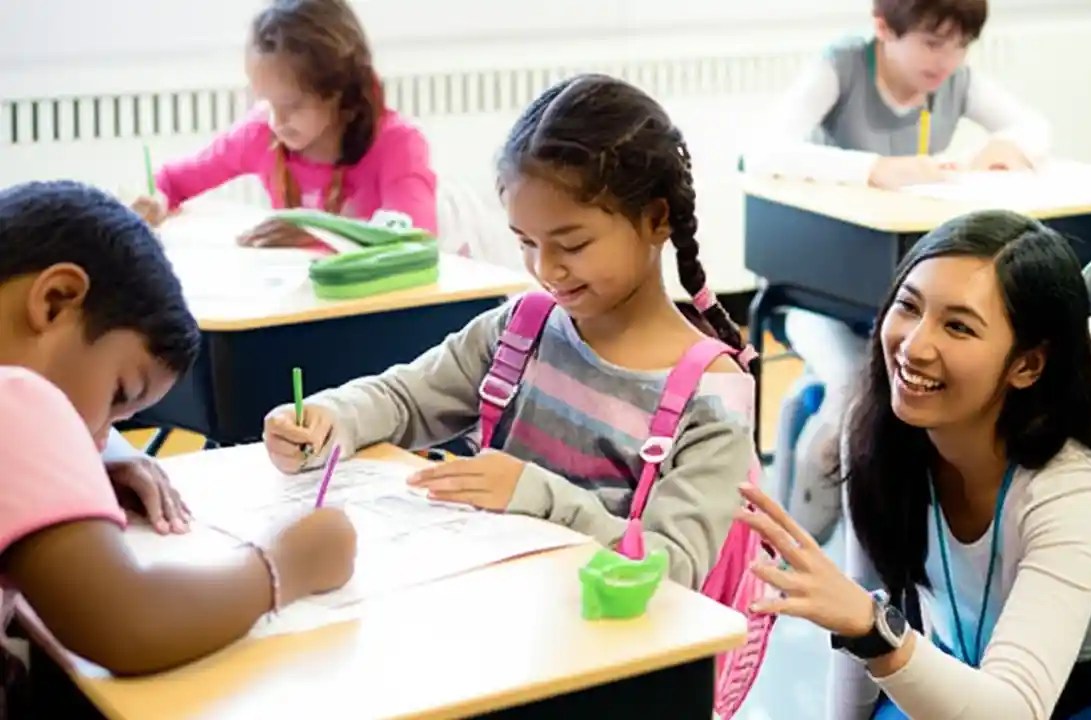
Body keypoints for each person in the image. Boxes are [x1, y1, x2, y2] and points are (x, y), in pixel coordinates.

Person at [261, 74, 758, 589]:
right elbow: (403, 399)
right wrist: (329, 420)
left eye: (573, 244)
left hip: (610, 653)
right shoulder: (521, 330)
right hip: (502, 622)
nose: (546, 268)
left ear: (656, 220)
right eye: (526, 241)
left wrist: (536, 494)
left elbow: (672, 571)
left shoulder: (710, 399)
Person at [737, 210, 1091, 719]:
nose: (914, 346)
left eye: (958, 326)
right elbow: (864, 611)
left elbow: (1010, 709)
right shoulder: (876, 431)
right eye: (909, 307)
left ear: (1027, 365)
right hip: (966, 679)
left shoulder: (1073, 486)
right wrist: (863, 636)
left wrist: (870, 628)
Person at [0, 181, 357, 710]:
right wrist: (290, 560)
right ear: (55, 301)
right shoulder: (17, 400)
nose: (95, 440)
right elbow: (128, 622)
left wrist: (100, 455)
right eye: (119, 394)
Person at [742, 0, 1052, 543]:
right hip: (820, 296)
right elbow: (764, 150)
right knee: (850, 402)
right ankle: (787, 556)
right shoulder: (841, 66)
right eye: (933, 43)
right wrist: (873, 170)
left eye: (960, 45)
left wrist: (1004, 148)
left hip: (903, 299)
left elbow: (1034, 127)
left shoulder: (954, 78)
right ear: (883, 28)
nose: (948, 59)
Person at [131, 0, 438, 247]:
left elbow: (416, 239)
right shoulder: (261, 133)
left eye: (292, 105)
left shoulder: (398, 143)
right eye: (265, 101)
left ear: (341, 94)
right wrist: (155, 201)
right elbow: (172, 181)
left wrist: (318, 232)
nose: (276, 120)